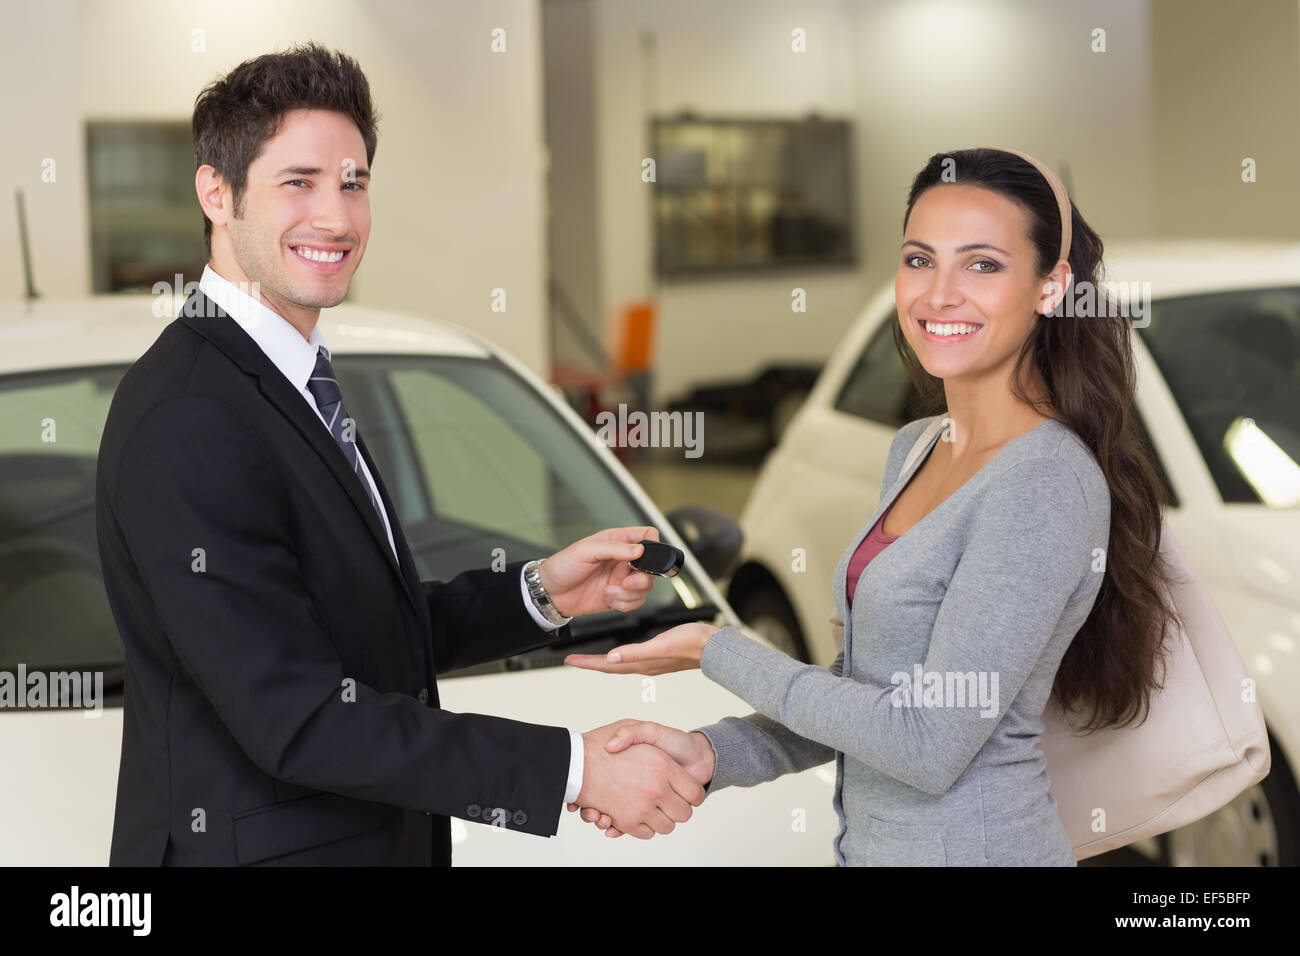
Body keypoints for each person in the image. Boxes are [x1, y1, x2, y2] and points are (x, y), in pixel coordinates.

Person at [96, 42, 705, 866]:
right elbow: (299, 714)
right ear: (216, 190)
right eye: (298, 182)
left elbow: (353, 629)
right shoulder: (188, 416)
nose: (338, 218)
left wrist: (539, 594)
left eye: (353, 182)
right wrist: (573, 769)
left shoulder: (287, 376)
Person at [565, 147, 1182, 866]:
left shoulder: (1043, 482)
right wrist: (710, 753)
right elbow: (869, 699)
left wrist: (716, 650)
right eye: (920, 260)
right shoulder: (920, 447)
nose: (940, 293)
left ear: (1052, 287)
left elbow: (925, 742)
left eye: (983, 264)